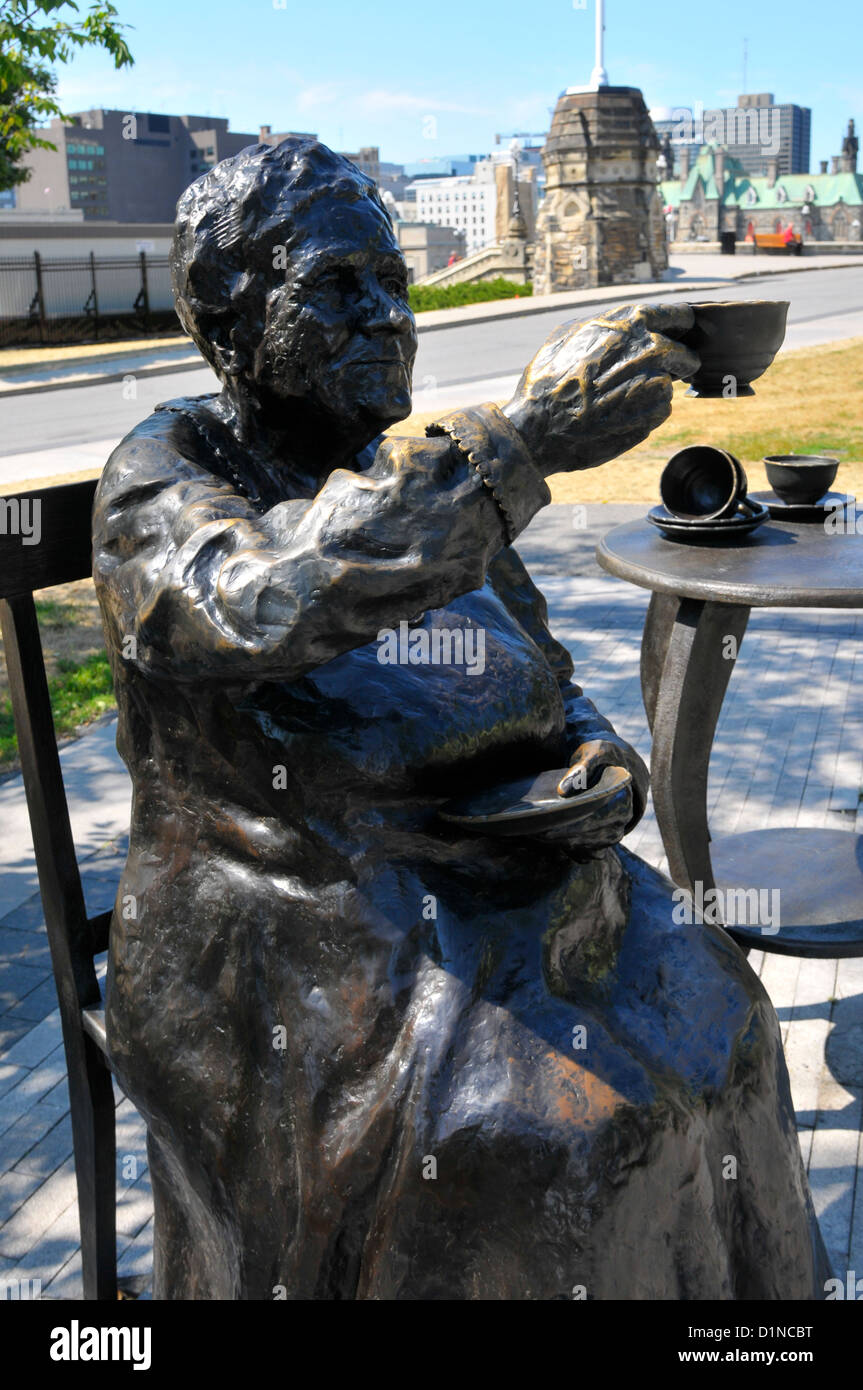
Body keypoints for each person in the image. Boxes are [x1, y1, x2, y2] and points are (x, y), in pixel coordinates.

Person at [93, 137, 830, 1300]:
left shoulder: (401, 473)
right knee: (557, 1135)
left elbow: (541, 663)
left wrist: (601, 763)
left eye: (394, 284)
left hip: (505, 893)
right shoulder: (170, 467)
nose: (386, 317)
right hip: (297, 926)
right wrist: (518, 446)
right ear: (231, 326)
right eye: (339, 288)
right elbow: (252, 602)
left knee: (727, 1016)